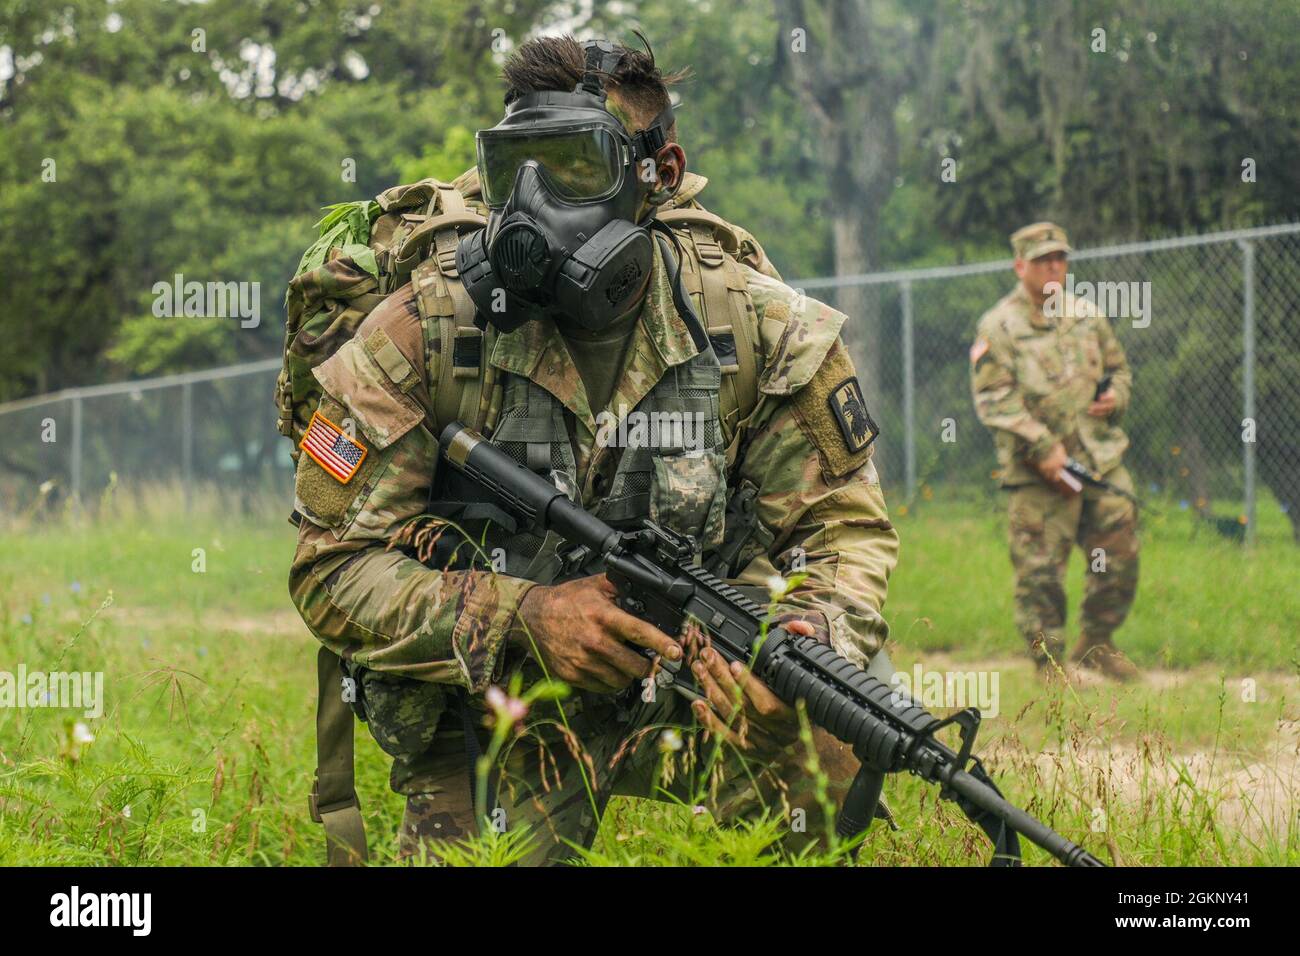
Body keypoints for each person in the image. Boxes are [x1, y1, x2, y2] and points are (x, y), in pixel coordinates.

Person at [288, 33, 899, 864]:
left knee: (836, 735)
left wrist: (800, 639)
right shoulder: (424, 329)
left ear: (660, 173)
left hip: (688, 675)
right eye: (514, 169)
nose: (535, 204)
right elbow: (331, 569)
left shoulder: (759, 326)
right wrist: (525, 615)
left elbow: (844, 531)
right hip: (497, 697)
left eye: (577, 165)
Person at [970, 222, 1140, 682]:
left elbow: (1119, 370)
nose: (1054, 267)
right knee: (1041, 575)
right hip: (1036, 471)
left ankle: (1098, 643)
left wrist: (1115, 396)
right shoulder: (999, 326)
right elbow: (994, 400)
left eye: (1060, 258)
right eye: (1044, 259)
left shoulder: (1086, 314)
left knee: (1120, 551)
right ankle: (1049, 670)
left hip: (1097, 459)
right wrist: (1042, 447)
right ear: (1020, 265)